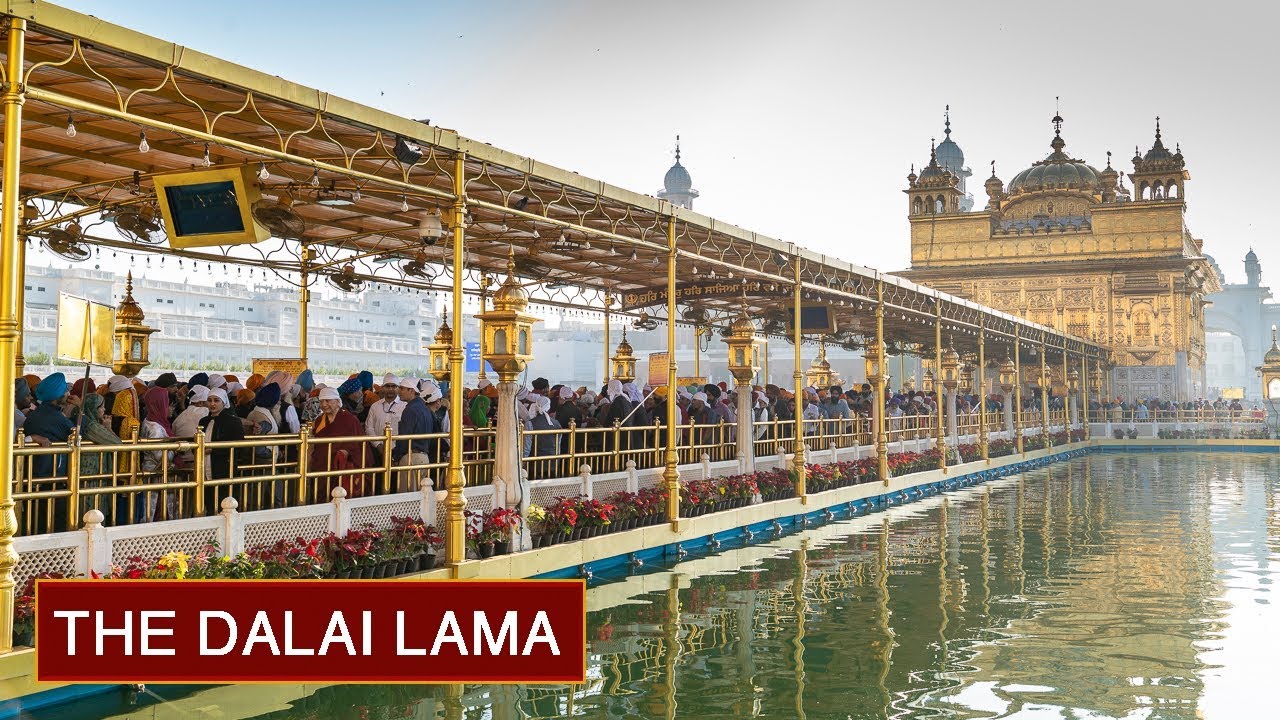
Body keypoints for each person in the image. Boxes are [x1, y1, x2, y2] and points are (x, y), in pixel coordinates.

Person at [311, 386, 370, 498]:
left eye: (328, 401)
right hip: (322, 466)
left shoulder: (350, 419)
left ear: (338, 402)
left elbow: (359, 446)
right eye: (321, 401)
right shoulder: (319, 420)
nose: (324, 404)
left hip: (342, 468)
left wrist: (345, 452)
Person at [197, 388, 248, 513]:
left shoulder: (233, 421)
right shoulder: (204, 421)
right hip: (205, 466)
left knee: (225, 502)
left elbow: (239, 446)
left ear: (223, 402)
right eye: (209, 400)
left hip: (224, 468)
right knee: (208, 501)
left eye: (216, 400)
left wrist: (213, 450)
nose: (212, 404)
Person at [393, 377, 436, 493]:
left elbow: (404, 437)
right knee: (419, 495)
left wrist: (396, 456)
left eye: (402, 388)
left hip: (411, 458)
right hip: (424, 457)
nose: (399, 391)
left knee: (407, 496)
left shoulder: (410, 410)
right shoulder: (424, 408)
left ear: (411, 390)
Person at [365, 373, 405, 448]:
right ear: (382, 388)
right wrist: (378, 445)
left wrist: (393, 447)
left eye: (394, 386)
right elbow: (369, 428)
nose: (390, 389)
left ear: (398, 388)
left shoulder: (405, 406)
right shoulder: (375, 406)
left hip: (398, 449)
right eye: (387, 386)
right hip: (377, 448)